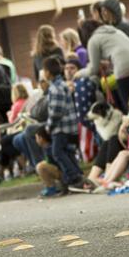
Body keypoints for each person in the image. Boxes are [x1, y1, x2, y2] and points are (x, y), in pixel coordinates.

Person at [78, 15, 129, 112]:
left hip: (125, 69)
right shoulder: (116, 31)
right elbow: (120, 51)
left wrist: (79, 74)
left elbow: (93, 69)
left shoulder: (93, 40)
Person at [44, 56, 88, 191]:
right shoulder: (62, 84)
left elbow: (57, 110)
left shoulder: (55, 88)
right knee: (67, 152)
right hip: (69, 126)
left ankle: (74, 177)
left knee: (57, 152)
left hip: (61, 127)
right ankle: (79, 175)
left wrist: (49, 126)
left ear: (48, 72)